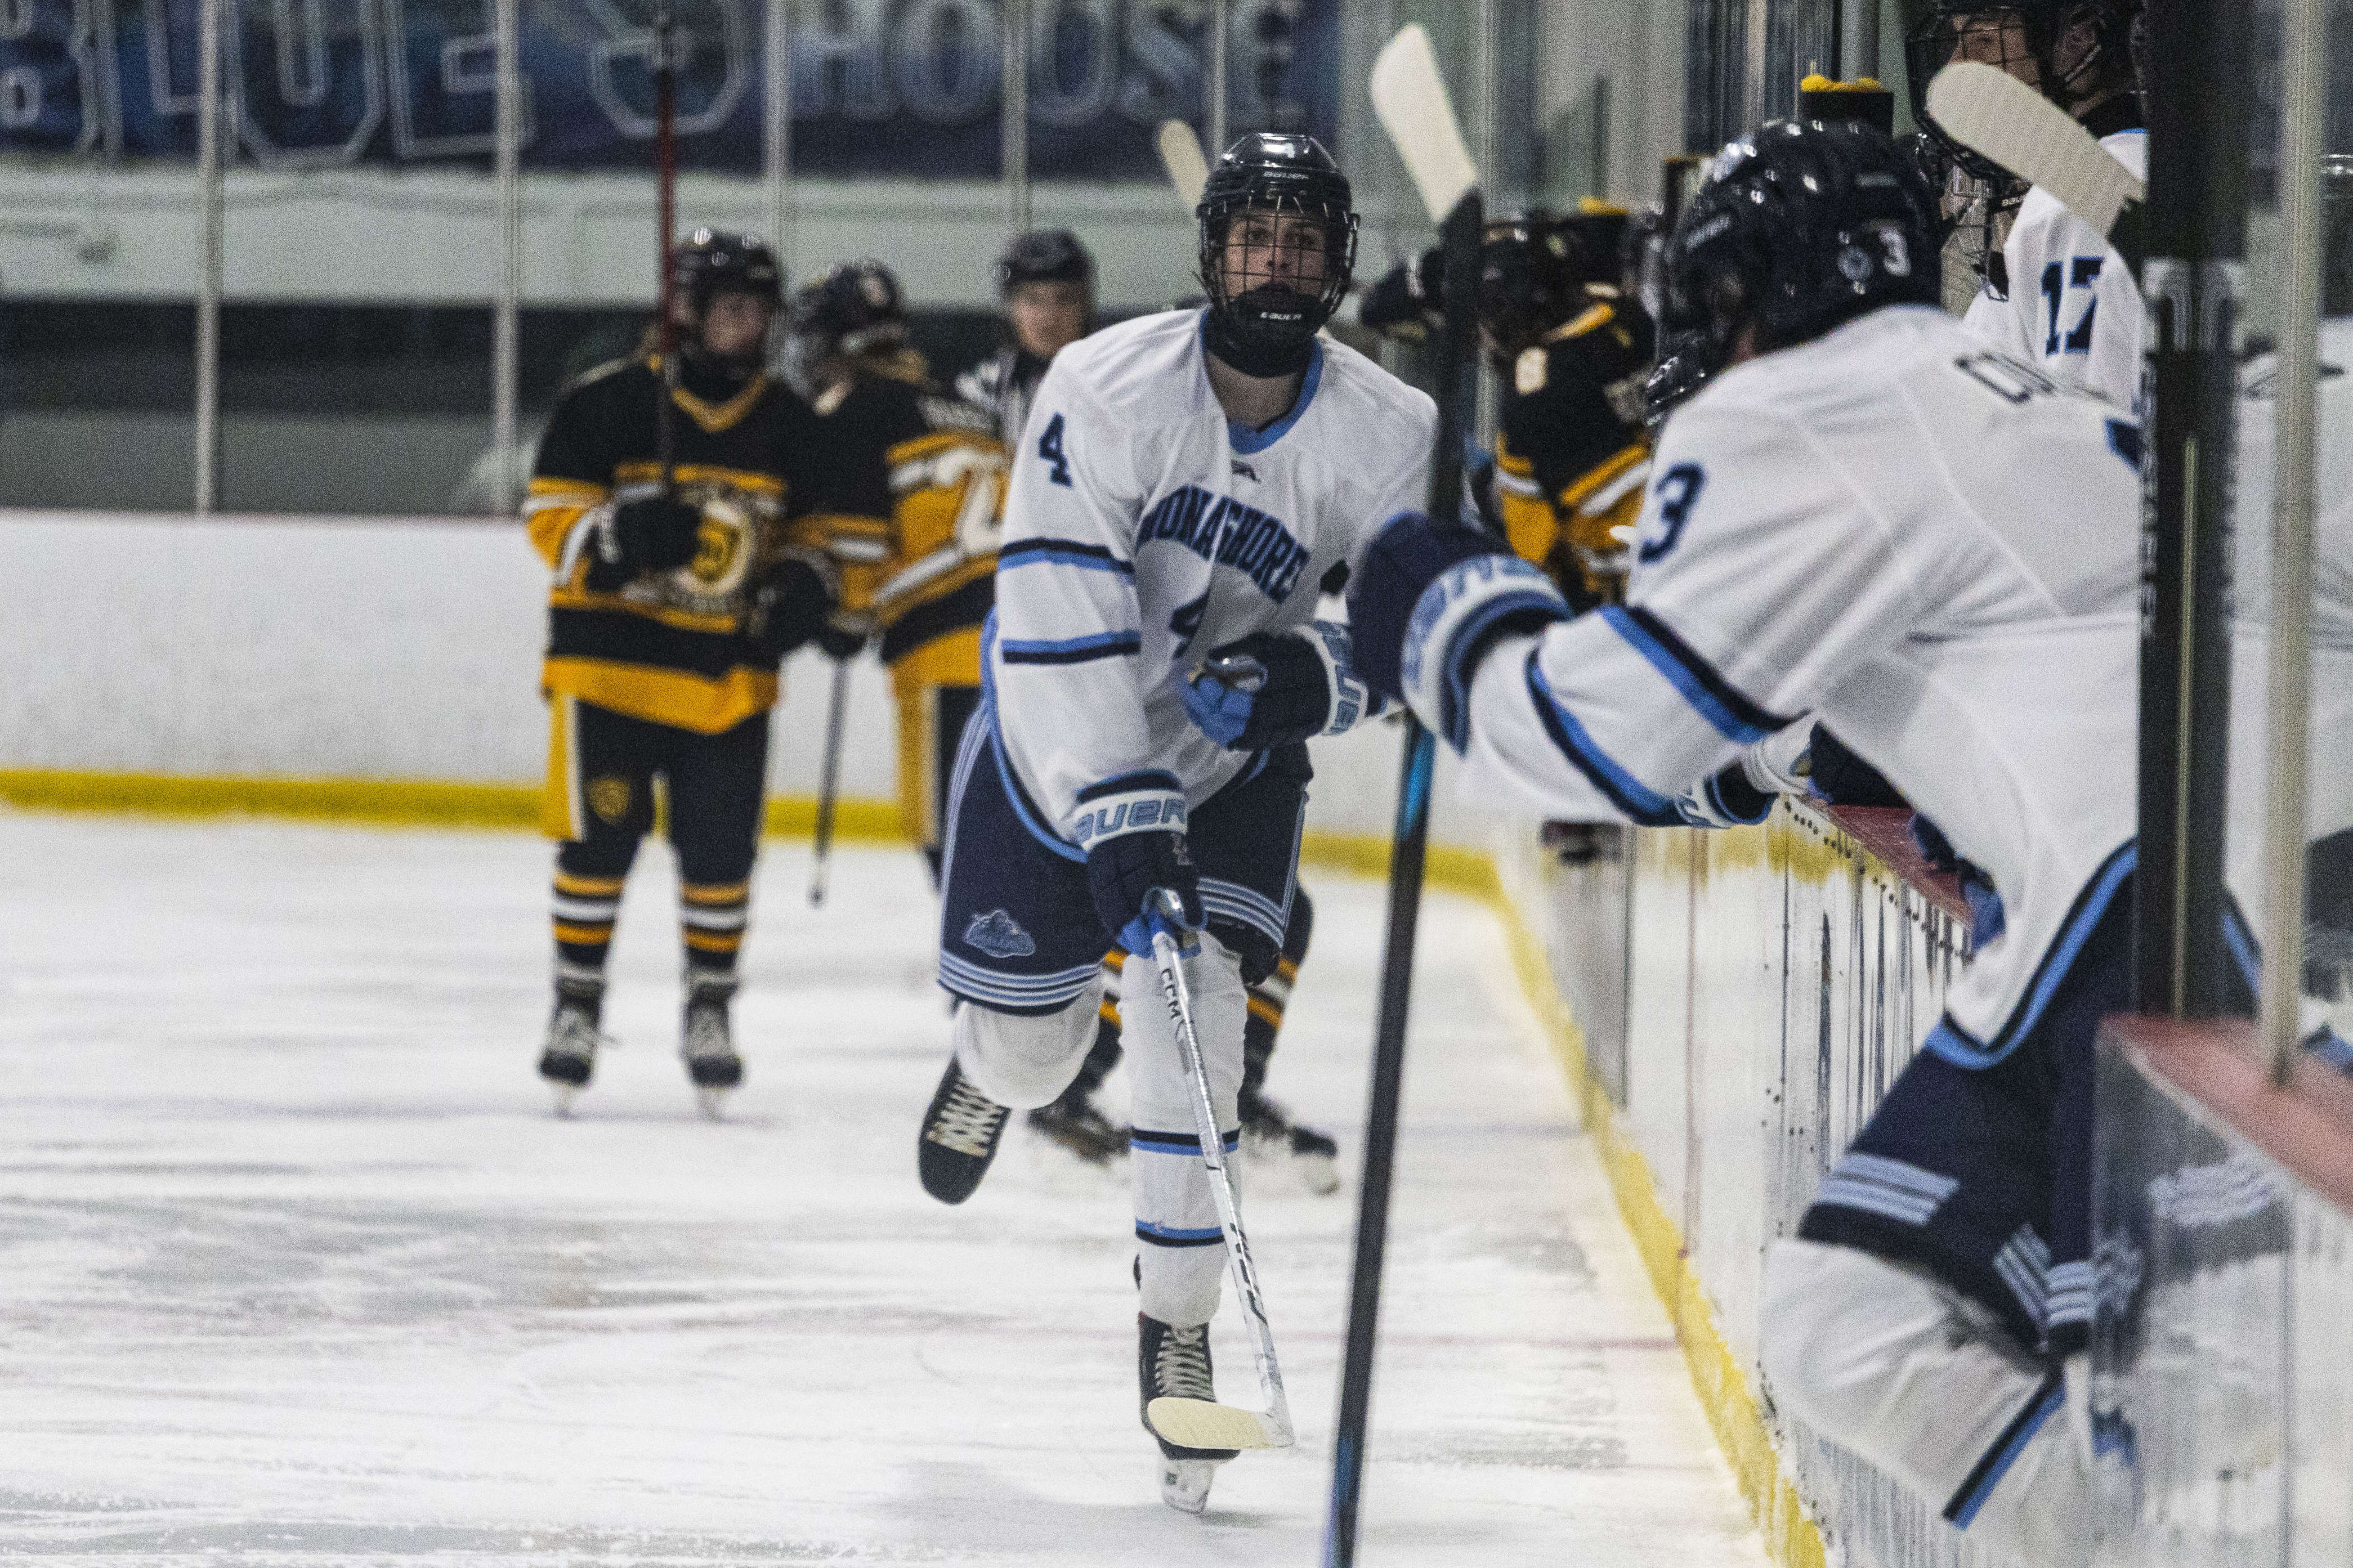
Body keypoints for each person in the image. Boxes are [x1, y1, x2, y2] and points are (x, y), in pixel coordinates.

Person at [1350, 119, 2154, 1563]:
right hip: (2143, 889)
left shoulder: (1817, 411)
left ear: (1753, 290)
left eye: (1709, 311)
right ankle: (2127, 1531)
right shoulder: (1979, 386)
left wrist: (1438, 612)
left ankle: (2145, 1537)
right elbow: (1768, 741)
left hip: (2128, 897)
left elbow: (1595, 738)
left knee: (1912, 1335)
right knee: (1848, 1317)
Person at [915, 132, 1430, 1513]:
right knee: (1036, 1059)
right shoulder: (1103, 384)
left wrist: (1314, 671)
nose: (1275, 261)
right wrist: (1117, 801)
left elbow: (1412, 620)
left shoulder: (1391, 427)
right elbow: (1051, 599)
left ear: (1338, 264)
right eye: (1251, 237)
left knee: (1192, 1037)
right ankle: (995, 1065)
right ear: (1211, 256)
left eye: (1301, 238)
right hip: (1052, 751)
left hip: (1232, 771)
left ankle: (1179, 1328)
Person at [521, 229, 834, 1116]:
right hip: (610, 675)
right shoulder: (610, 404)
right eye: (729, 309)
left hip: (725, 680)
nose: (747, 327)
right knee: (596, 847)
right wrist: (614, 537)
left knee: (721, 858)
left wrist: (805, 588)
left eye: (758, 313)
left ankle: (710, 1009)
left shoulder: (788, 423)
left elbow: (818, 538)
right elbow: (550, 517)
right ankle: (576, 1006)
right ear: (687, 314)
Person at [781, 261, 1009, 887]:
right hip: (1027, 645)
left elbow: (858, 540)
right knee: (1018, 837)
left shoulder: (857, 409)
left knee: (953, 838)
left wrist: (844, 620)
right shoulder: (966, 406)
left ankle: (991, 986)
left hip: (947, 652)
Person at [1906, 0, 2145, 407]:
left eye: (1982, 44)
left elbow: (2093, 439)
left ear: (2081, 39)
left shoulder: (2077, 205)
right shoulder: (2077, 188)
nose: (1955, 65)